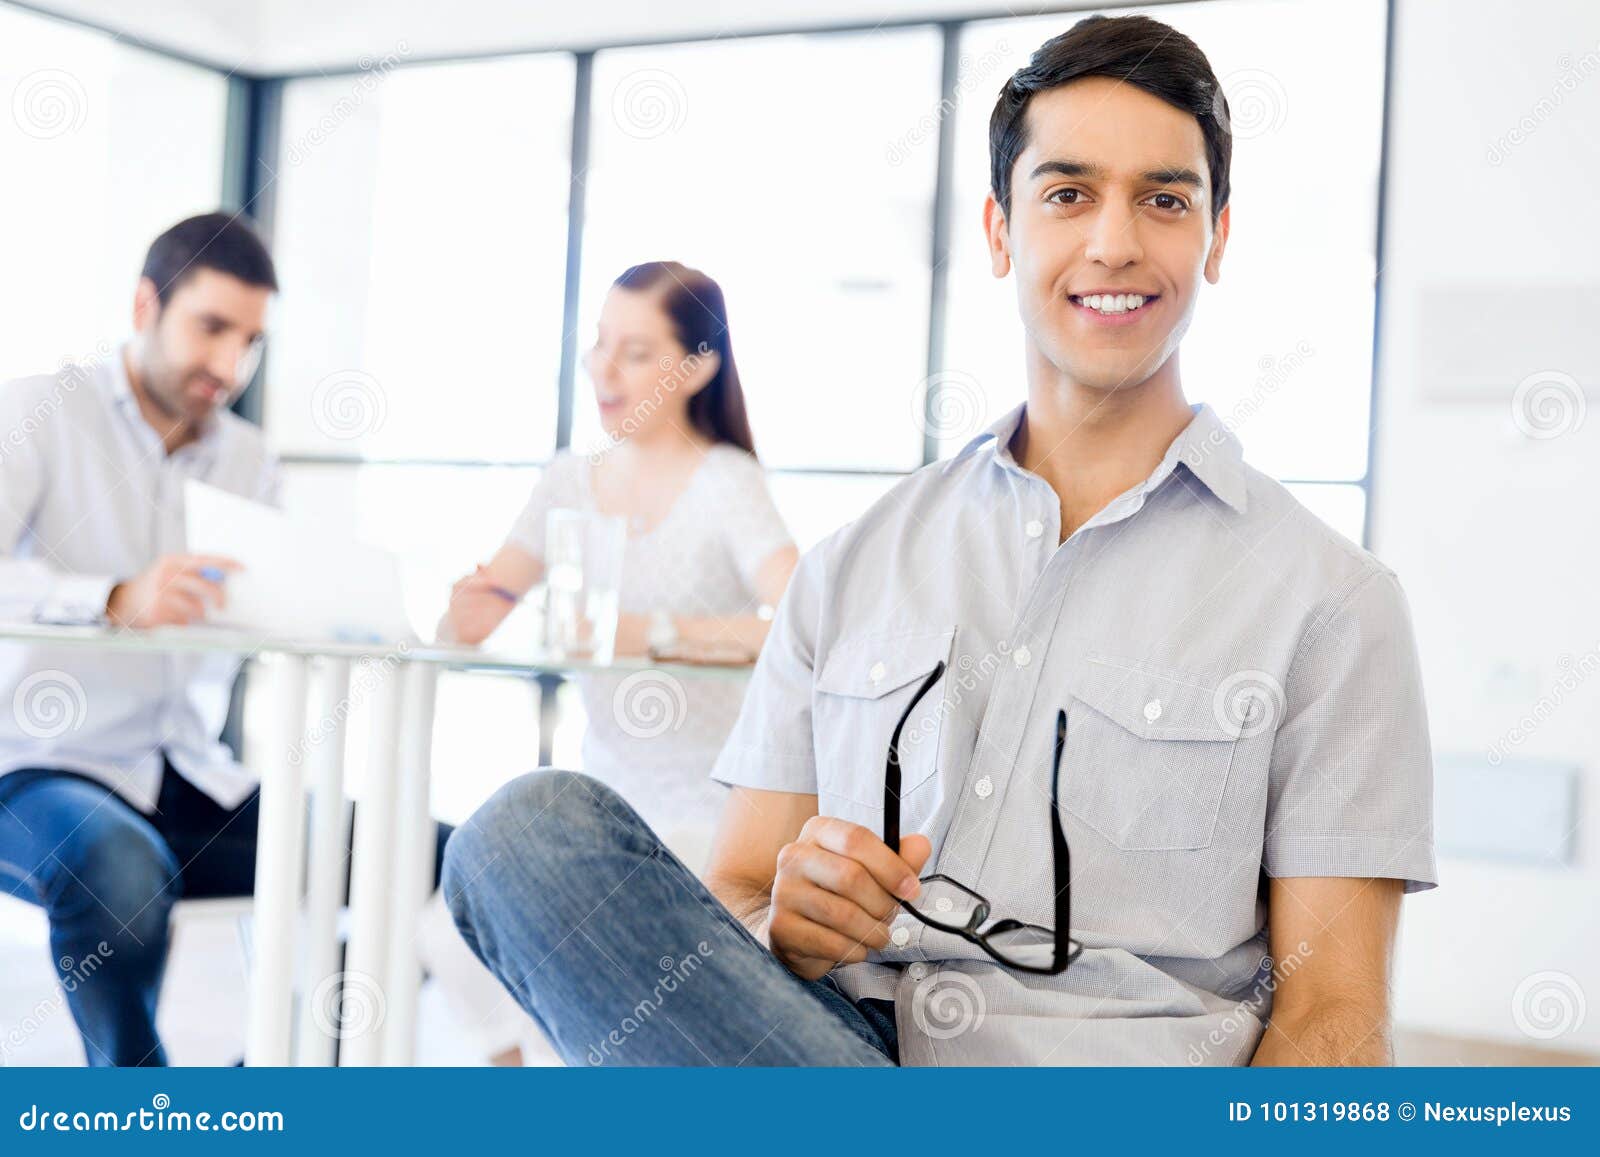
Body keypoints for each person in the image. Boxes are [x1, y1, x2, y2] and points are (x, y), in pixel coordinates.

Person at [443, 15, 1436, 1067]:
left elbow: (1333, 1010)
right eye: (1066, 193)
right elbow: (737, 889)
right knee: (524, 832)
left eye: (1164, 199)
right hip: (833, 1053)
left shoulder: (1334, 601)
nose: (1113, 241)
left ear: (1216, 236)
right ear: (1000, 230)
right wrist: (789, 920)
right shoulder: (849, 565)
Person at [0, 213, 469, 1066]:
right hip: (34, 769)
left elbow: (267, 600)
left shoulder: (250, 458)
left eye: (250, 340)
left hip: (188, 776)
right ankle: (138, 1105)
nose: (229, 365)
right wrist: (111, 597)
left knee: (437, 855)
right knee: (120, 872)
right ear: (146, 304)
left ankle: (275, 1075)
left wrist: (342, 611)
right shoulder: (39, 411)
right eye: (211, 327)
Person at [440, 260, 797, 866]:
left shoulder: (727, 484)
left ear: (697, 368)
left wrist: (651, 634)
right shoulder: (567, 482)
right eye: (600, 342)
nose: (601, 369)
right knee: (461, 912)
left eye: (633, 352)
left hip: (714, 817)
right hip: (598, 803)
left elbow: (805, 624)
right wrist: (464, 608)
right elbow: (467, 629)